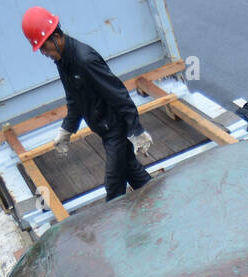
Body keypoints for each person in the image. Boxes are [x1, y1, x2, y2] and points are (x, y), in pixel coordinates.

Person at [22, 6, 154, 201]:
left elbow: (119, 94)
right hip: (104, 129)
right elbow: (74, 99)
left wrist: (136, 129)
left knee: (114, 191)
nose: (45, 53)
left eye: (45, 47)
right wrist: (67, 129)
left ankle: (120, 229)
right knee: (135, 175)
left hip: (116, 130)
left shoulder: (85, 60)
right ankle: (163, 206)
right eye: (41, 49)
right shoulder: (63, 61)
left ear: (56, 36)